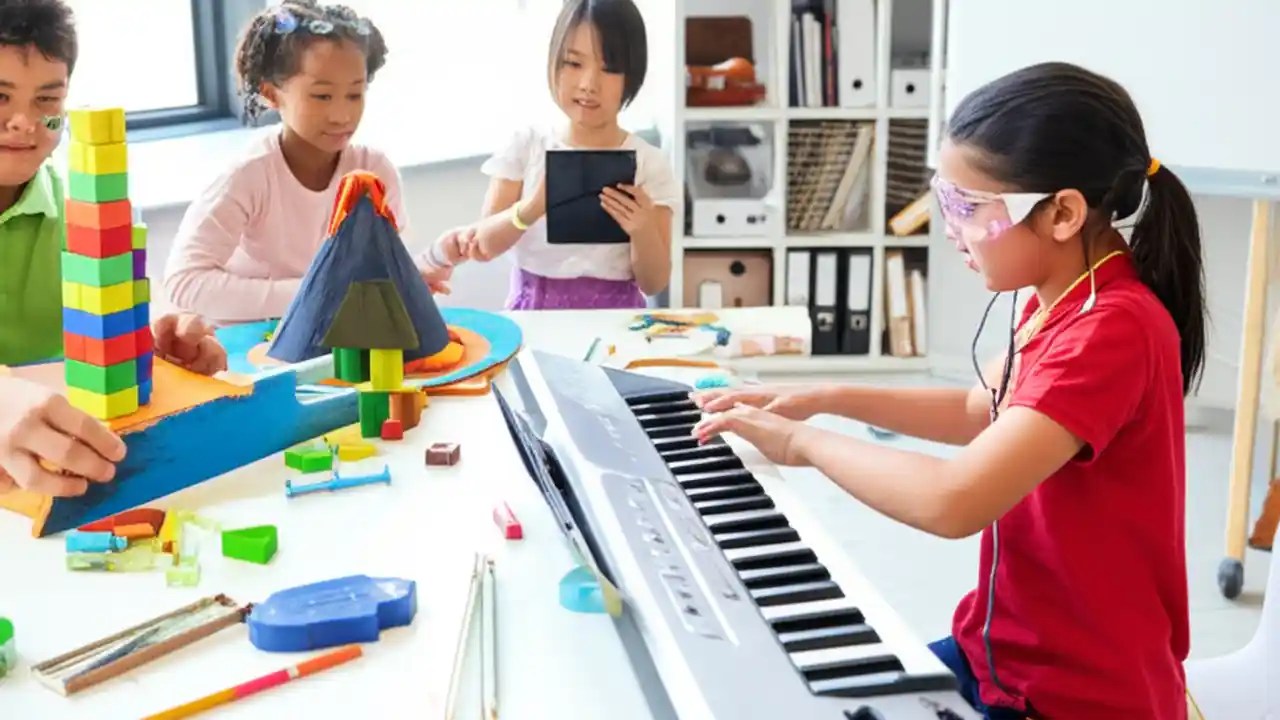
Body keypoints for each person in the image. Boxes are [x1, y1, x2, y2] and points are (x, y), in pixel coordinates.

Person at [693, 62, 1203, 720]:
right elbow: (975, 410)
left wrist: (803, 443)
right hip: (999, 655)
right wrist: (823, 395)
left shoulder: (1112, 331)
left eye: (968, 208)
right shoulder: (1062, 294)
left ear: (1063, 213)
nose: (951, 228)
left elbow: (951, 502)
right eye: (945, 199)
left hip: (1074, 697)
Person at [0, 0, 228, 499]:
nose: (23, 121)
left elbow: (130, 288)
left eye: (46, 100)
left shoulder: (82, 202)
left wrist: (158, 333)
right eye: (0, 96)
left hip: (69, 470)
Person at [163, 1, 468, 326]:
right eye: (322, 96)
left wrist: (427, 266)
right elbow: (185, 282)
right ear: (272, 94)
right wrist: (322, 292)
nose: (342, 115)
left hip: (335, 339)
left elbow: (382, 271)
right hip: (250, 350)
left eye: (355, 95)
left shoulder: (373, 170)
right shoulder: (249, 176)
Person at [450, 0, 678, 309]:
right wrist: (531, 208)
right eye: (574, 63)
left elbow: (654, 283)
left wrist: (642, 229)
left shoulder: (649, 163)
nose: (588, 84)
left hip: (615, 327)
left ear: (632, 74)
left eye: (609, 68)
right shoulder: (527, 145)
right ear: (554, 61)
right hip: (533, 319)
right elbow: (483, 247)